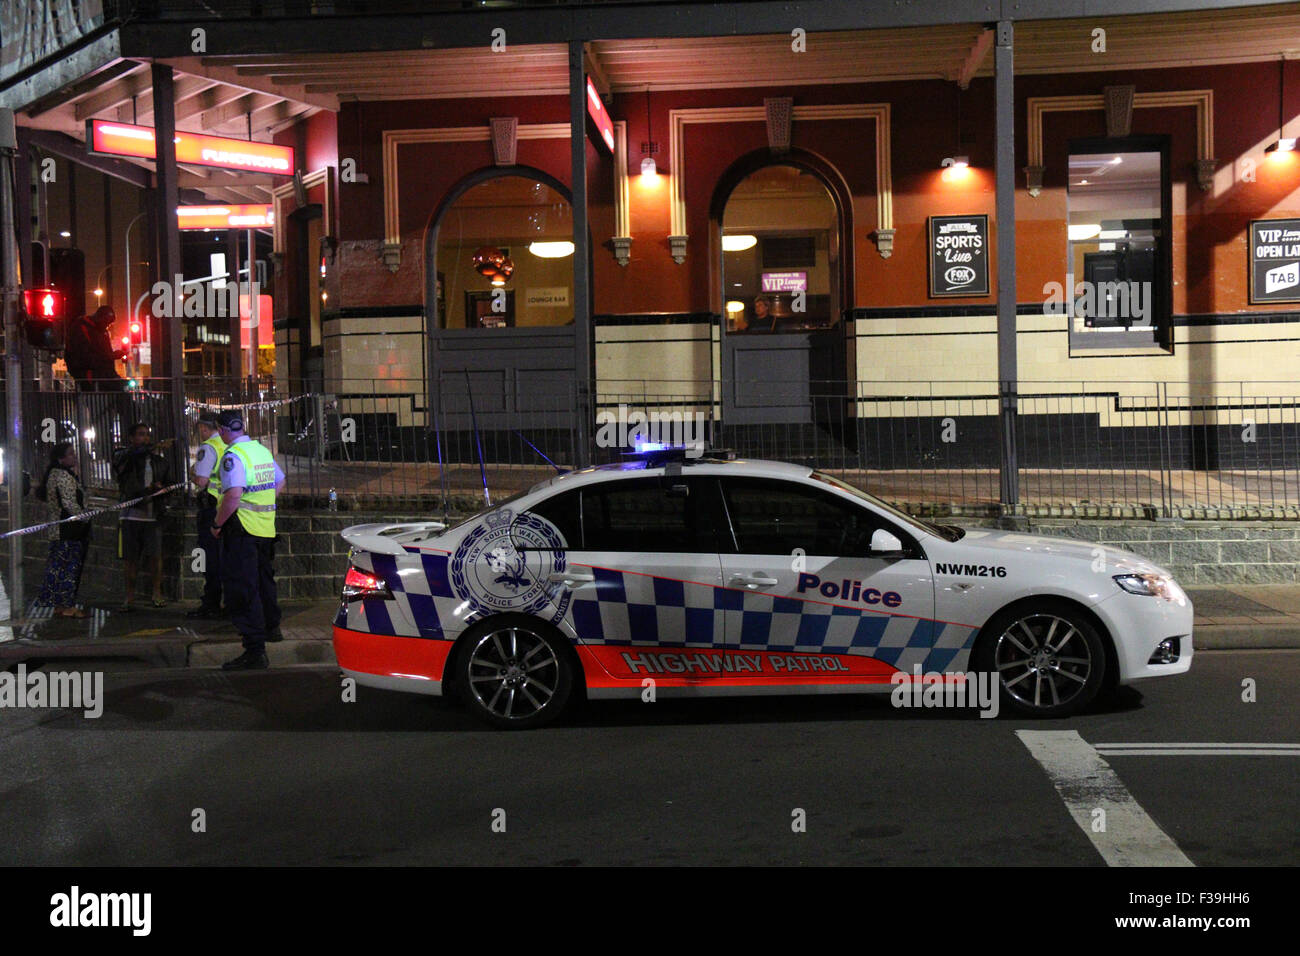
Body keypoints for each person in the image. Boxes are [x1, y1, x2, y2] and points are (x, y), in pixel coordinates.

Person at [212, 409, 285, 670]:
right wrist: (264, 503)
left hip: (242, 530)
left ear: (221, 430)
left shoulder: (233, 456)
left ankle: (254, 650)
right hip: (265, 529)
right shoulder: (260, 450)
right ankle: (271, 628)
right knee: (265, 581)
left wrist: (217, 524)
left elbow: (232, 495)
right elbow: (280, 481)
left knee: (243, 588)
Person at [112, 422, 174, 611]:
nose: (145, 438)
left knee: (156, 557)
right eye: (140, 434)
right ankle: (129, 597)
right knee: (130, 559)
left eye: (147, 434)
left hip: (152, 515)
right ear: (131, 438)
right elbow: (126, 462)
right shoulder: (123, 456)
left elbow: (170, 484)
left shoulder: (159, 461)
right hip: (131, 516)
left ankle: (157, 594)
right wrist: (151, 447)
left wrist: (160, 489)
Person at [33, 442, 92, 618]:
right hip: (68, 529)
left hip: (59, 529)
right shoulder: (62, 476)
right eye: (71, 454)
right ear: (61, 458)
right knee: (69, 568)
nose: (74, 456)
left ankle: (60, 605)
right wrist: (86, 516)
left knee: (59, 567)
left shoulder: (55, 474)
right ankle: (67, 606)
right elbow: (69, 503)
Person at [186, 411, 227, 619]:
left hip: (210, 507)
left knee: (209, 557)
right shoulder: (227, 445)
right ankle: (227, 602)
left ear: (204, 428)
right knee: (226, 557)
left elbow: (201, 481)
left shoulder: (208, 447)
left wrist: (192, 474)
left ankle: (211, 603)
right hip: (228, 506)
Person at [65, 306, 127, 391]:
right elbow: (83, 356)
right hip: (89, 374)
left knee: (121, 389)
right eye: (107, 322)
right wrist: (111, 356)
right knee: (116, 392)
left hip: (103, 374)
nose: (107, 325)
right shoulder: (81, 328)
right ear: (100, 318)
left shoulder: (102, 331)